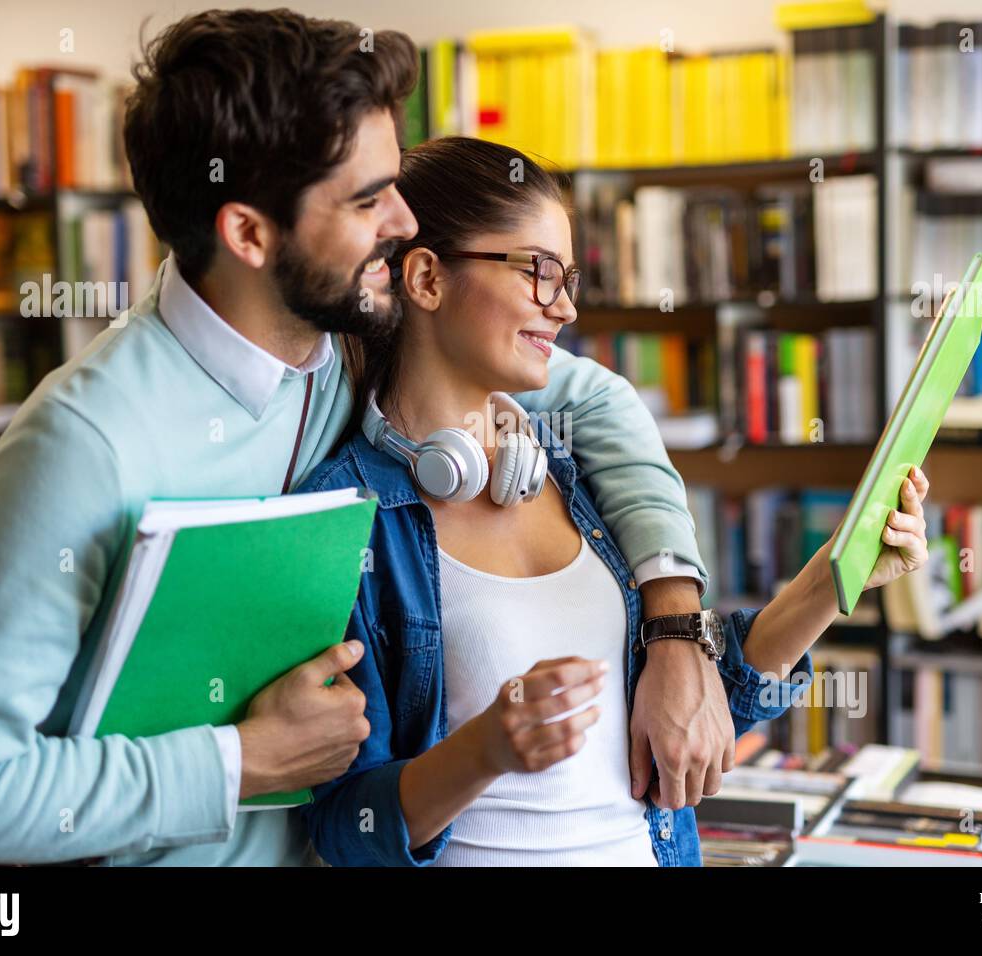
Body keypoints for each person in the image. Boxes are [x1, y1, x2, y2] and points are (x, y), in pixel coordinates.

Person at [0, 11, 732, 866]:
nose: (403, 223)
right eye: (367, 200)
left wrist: (674, 628)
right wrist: (238, 761)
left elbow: (600, 404)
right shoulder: (83, 446)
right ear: (248, 233)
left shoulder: (355, 340)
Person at [299, 136, 931, 866]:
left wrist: (834, 573)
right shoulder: (340, 518)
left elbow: (693, 709)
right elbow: (347, 828)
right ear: (428, 278)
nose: (564, 306)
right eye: (537, 272)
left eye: (568, 277)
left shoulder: (575, 469)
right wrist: (481, 752)